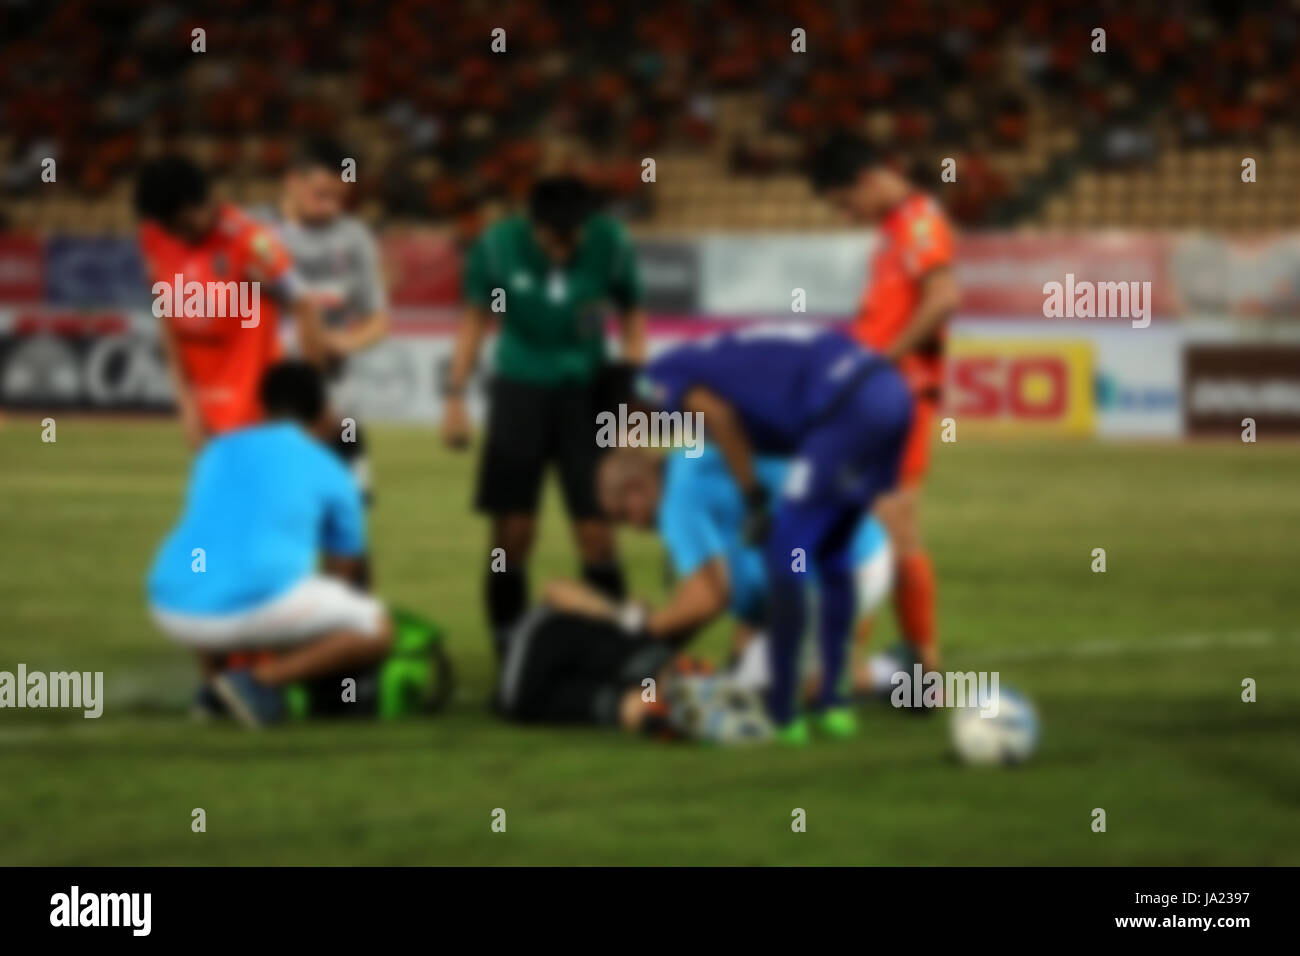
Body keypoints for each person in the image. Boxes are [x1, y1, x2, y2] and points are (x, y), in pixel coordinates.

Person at [636, 324, 913, 744]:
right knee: (748, 670)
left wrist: (638, 637)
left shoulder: (674, 398)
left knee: (766, 692)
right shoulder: (737, 422)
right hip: (867, 412)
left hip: (850, 560)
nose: (636, 525)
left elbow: (708, 597)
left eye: (625, 512)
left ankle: (896, 675)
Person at [442, 174, 646, 660]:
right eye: (554, 238)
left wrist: (632, 407)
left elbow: (633, 319)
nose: (563, 248)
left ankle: (611, 655)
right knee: (510, 536)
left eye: (572, 237)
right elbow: (475, 319)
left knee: (597, 533)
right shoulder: (496, 247)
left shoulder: (612, 244)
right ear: (532, 226)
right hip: (519, 392)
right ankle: (509, 654)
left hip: (589, 394)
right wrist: (455, 396)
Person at [146, 361, 392, 728]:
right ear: (325, 411)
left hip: (170, 601)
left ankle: (212, 690)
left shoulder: (217, 451)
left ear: (262, 408)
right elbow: (343, 575)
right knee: (374, 626)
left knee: (206, 568)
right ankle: (259, 683)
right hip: (249, 608)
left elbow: (203, 534)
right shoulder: (331, 469)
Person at [808, 134, 961, 675]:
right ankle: (905, 665)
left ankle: (871, 664)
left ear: (868, 180)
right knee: (879, 527)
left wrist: (882, 361)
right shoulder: (895, 230)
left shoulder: (918, 223)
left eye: (846, 203)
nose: (848, 216)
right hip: (881, 397)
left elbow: (943, 297)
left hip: (899, 397)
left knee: (883, 527)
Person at [135, 156, 325, 449]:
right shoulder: (154, 238)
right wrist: (186, 406)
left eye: (181, 223)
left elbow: (303, 303)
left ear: (199, 203)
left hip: (258, 413)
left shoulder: (250, 240)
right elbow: (166, 319)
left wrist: (310, 403)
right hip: (206, 413)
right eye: (168, 226)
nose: (176, 234)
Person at [260, 137, 390, 504]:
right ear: (292, 182)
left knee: (354, 500)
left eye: (340, 197)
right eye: (321, 195)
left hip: (338, 398)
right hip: (274, 394)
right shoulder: (258, 235)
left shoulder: (355, 238)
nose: (332, 206)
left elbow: (379, 321)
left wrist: (342, 343)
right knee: (281, 504)